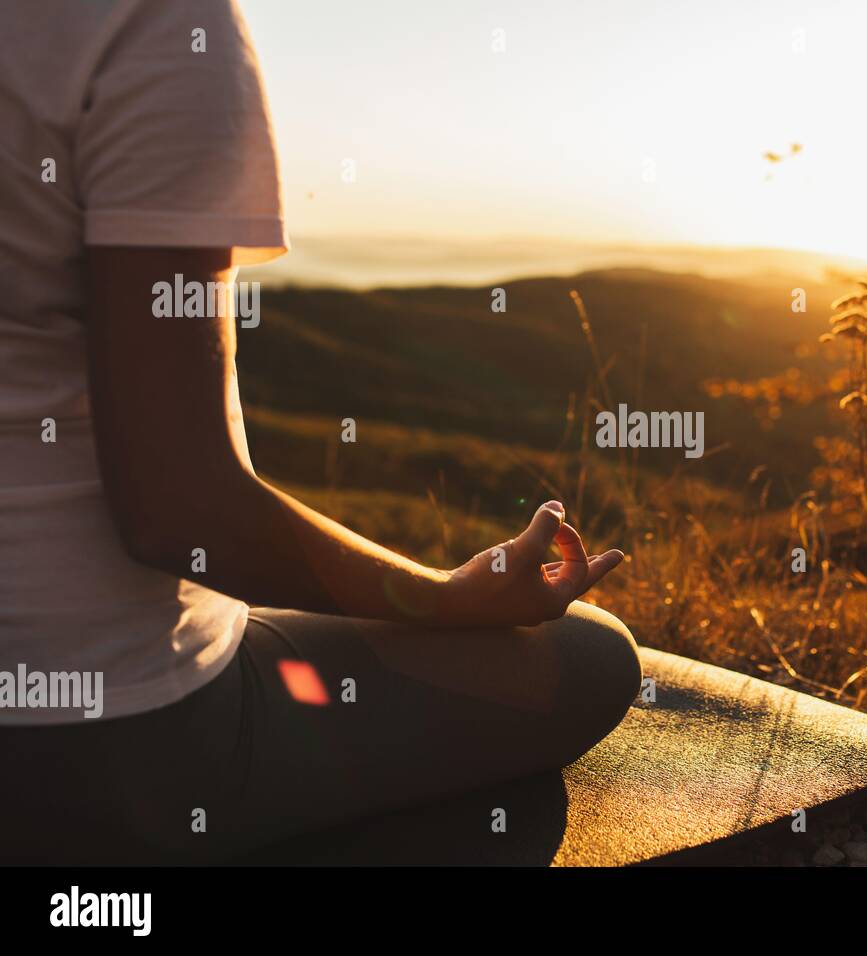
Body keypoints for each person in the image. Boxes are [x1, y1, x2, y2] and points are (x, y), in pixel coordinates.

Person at [0, 0, 640, 864]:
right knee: (594, 659)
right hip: (102, 732)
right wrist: (449, 597)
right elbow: (178, 511)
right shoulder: (152, 22)